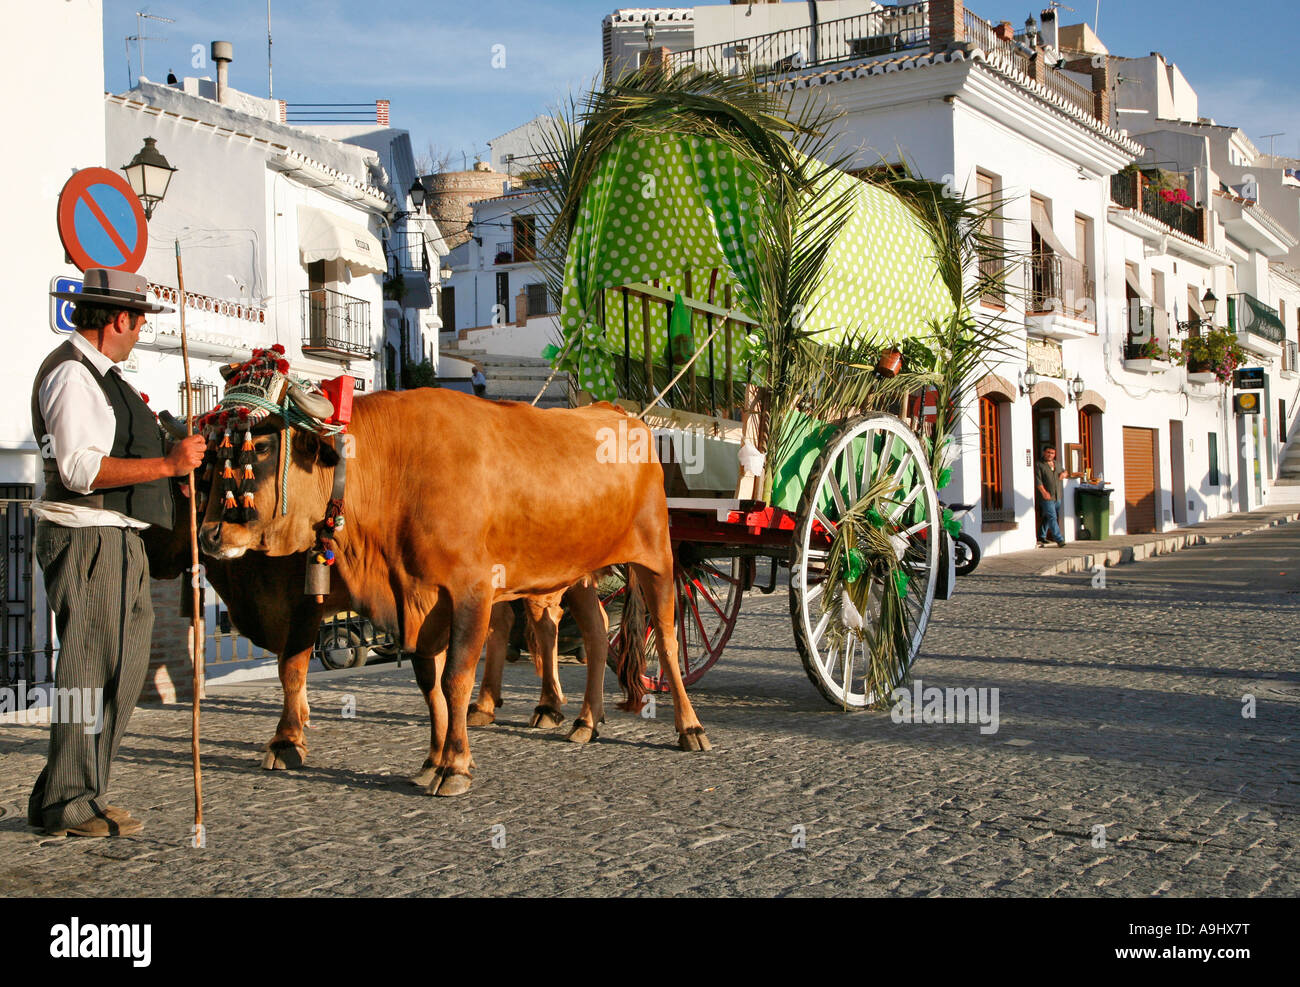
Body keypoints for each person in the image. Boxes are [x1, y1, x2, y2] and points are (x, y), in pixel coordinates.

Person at [28, 269, 206, 838]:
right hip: (85, 537)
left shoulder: (107, 378)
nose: (139, 332)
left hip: (121, 537)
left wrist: (172, 476)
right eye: (137, 322)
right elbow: (80, 470)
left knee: (122, 673)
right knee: (87, 673)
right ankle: (66, 803)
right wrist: (166, 466)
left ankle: (82, 791)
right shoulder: (71, 376)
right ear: (118, 320)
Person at [1035, 445, 1067, 547]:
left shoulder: (1057, 464)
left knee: (1048, 516)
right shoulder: (1039, 465)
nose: (1050, 455)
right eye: (1048, 452)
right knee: (1052, 517)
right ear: (1044, 452)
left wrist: (1064, 474)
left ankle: (1042, 535)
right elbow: (1038, 480)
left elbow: (1065, 471)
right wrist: (1043, 492)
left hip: (1057, 496)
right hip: (1046, 497)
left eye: (1052, 453)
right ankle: (1059, 539)